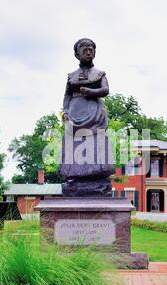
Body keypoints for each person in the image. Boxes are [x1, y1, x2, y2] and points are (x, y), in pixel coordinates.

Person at [59, 38, 115, 196]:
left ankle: (98, 174)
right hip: (75, 113)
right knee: (74, 143)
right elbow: (66, 96)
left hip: (94, 113)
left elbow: (105, 90)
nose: (89, 52)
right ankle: (74, 176)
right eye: (85, 49)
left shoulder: (100, 74)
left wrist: (91, 92)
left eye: (91, 49)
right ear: (77, 54)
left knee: (95, 141)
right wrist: (65, 112)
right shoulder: (71, 76)